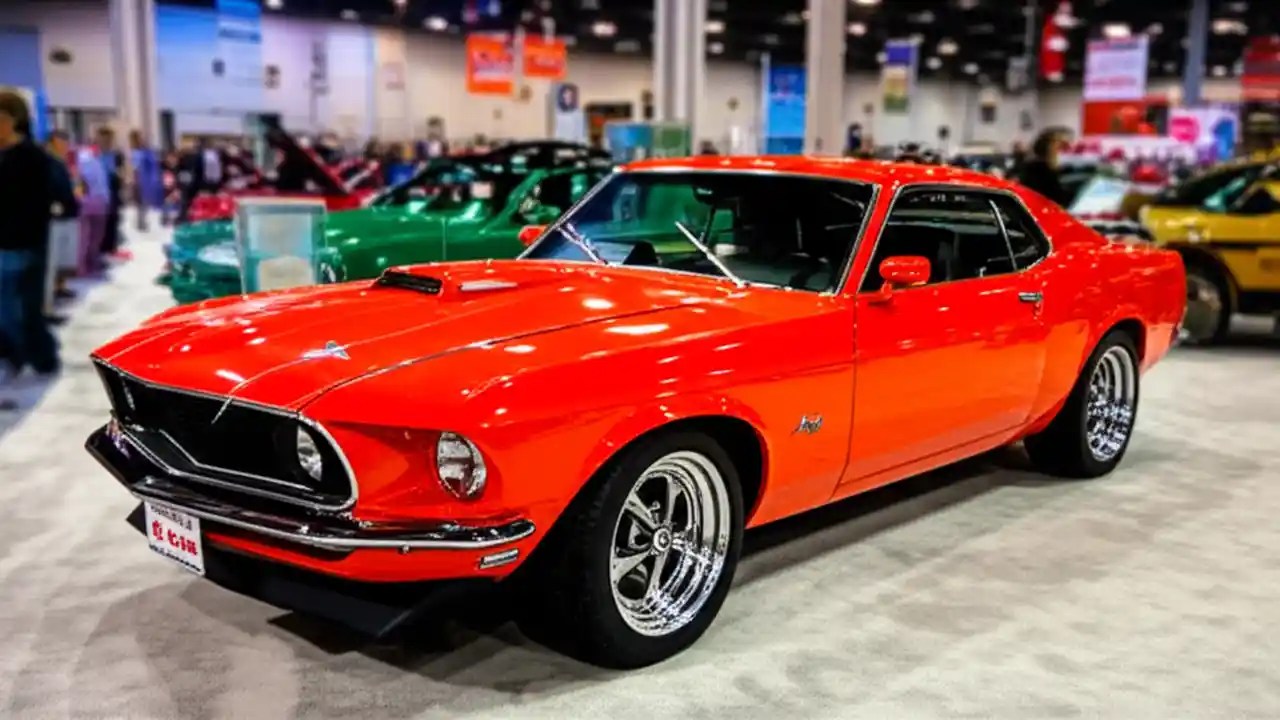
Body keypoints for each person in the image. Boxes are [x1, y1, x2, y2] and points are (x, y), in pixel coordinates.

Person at [0, 91, 59, 401]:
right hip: (9, 243)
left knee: (17, 310)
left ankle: (33, 355)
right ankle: (25, 355)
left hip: (21, 244)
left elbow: (38, 205)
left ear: (13, 119)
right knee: (12, 309)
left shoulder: (31, 157)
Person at [44, 131, 80, 321]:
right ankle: (46, 308)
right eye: (60, 143)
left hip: (67, 215)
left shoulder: (62, 163)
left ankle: (59, 288)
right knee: (51, 262)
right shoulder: (47, 163)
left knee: (64, 258)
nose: (64, 147)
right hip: (54, 219)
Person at [76, 131, 111, 276]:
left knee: (97, 235)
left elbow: (103, 182)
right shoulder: (83, 157)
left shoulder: (100, 159)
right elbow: (80, 178)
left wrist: (107, 199)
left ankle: (93, 262)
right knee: (84, 236)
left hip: (100, 201)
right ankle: (81, 266)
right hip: (87, 201)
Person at [1015, 130, 1070, 206]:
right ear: (1049, 148)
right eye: (1060, 147)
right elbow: (1055, 196)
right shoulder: (1040, 170)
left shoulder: (1034, 167)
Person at [129, 130, 162, 232]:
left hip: (148, 180)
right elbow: (135, 168)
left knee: (145, 202)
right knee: (140, 202)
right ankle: (141, 221)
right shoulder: (136, 153)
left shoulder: (147, 152)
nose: (142, 140)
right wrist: (134, 181)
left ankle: (142, 221)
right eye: (140, 138)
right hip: (140, 180)